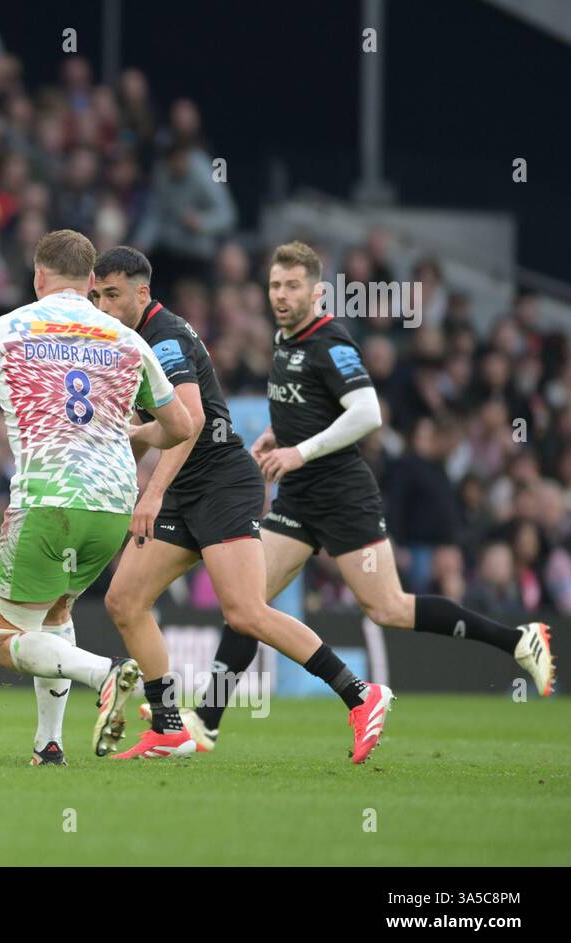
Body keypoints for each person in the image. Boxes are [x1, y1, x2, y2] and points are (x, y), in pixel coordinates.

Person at [194, 241, 553, 748]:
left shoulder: (330, 342)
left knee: (388, 608)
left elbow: (367, 414)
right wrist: (281, 434)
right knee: (246, 604)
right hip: (299, 498)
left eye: (292, 285)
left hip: (342, 496)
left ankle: (518, 640)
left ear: (317, 293)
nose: (280, 294)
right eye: (275, 284)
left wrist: (300, 452)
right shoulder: (284, 339)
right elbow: (312, 406)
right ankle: (205, 721)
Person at [91, 246, 391, 763]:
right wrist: (137, 437)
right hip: (188, 485)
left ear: (142, 293)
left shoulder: (163, 339)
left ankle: (360, 695)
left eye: (112, 295)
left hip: (222, 485)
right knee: (124, 601)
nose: (102, 306)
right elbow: (169, 424)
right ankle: (169, 726)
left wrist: (152, 491)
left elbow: (192, 421)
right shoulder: (134, 337)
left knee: (246, 612)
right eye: (96, 295)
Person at [0, 229, 194, 765]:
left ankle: (103, 675)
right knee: (54, 612)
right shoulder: (127, 340)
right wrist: (133, 434)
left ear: (38, 276)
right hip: (113, 505)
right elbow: (182, 425)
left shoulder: (9, 329)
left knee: (0, 636)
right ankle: (49, 745)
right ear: (92, 282)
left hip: (48, 499)